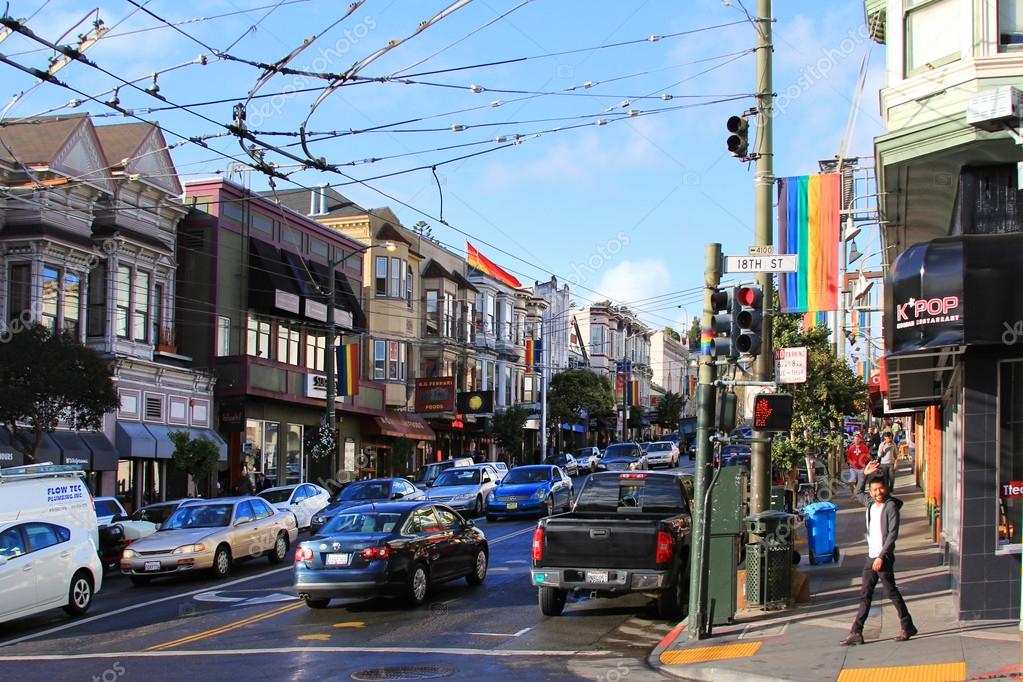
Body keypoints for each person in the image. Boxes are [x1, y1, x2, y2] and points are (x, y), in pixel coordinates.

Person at [841, 460, 917, 645]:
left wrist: (882, 557)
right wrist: (865, 474)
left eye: (880, 489)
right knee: (865, 594)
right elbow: (858, 492)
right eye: (874, 490)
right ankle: (856, 632)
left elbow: (893, 534)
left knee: (891, 592)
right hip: (871, 557)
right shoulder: (870, 504)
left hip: (883, 557)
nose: (877, 493)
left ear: (887, 488)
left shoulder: (890, 506)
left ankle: (907, 626)